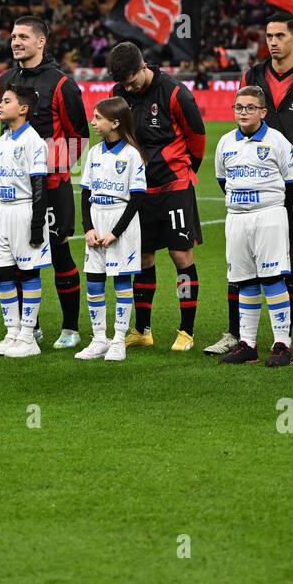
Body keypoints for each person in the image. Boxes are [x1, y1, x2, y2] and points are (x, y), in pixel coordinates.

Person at [210, 13, 293, 354]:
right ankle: (237, 334)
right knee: (241, 259)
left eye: (280, 35)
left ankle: (284, 332)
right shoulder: (252, 76)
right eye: (268, 36)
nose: (273, 41)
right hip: (252, 186)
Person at [108, 41, 207, 352]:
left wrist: (181, 170)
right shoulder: (120, 93)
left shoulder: (175, 93)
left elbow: (198, 138)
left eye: (132, 79)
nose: (129, 86)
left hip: (174, 187)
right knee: (144, 257)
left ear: (144, 66)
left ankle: (186, 331)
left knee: (180, 256)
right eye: (123, 82)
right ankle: (142, 329)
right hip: (140, 190)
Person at [0, 16, 90, 349]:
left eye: (23, 36)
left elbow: (79, 136)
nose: (15, 42)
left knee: (60, 254)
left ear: (41, 42)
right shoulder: (6, 79)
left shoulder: (61, 84)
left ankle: (70, 328)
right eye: (12, 36)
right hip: (13, 193)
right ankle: (28, 327)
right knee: (17, 259)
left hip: (51, 188)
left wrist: (49, 168)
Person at [212, 86, 293, 367]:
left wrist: (265, 201)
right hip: (236, 217)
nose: (244, 112)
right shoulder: (225, 142)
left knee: (273, 278)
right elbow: (222, 180)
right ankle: (248, 344)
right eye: (239, 107)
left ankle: (282, 344)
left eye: (250, 108)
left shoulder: (278, 141)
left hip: (269, 216)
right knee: (245, 280)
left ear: (263, 112)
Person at [75, 97, 146, 362]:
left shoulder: (131, 155)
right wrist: (89, 228)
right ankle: (98, 339)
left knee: (121, 282)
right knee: (94, 281)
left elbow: (137, 198)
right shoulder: (94, 153)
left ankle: (118, 339)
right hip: (97, 220)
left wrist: (116, 232)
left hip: (121, 223)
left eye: (97, 118)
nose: (93, 122)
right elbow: (85, 194)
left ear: (115, 122)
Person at [0, 84, 50, 359]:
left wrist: (37, 224)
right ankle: (12, 331)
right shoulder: (2, 141)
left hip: (25, 211)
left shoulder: (34, 141)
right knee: (3, 273)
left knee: (28, 273)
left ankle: (28, 335)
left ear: (23, 108)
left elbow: (39, 185)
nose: (0, 105)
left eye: (6, 101)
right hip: (4, 211)